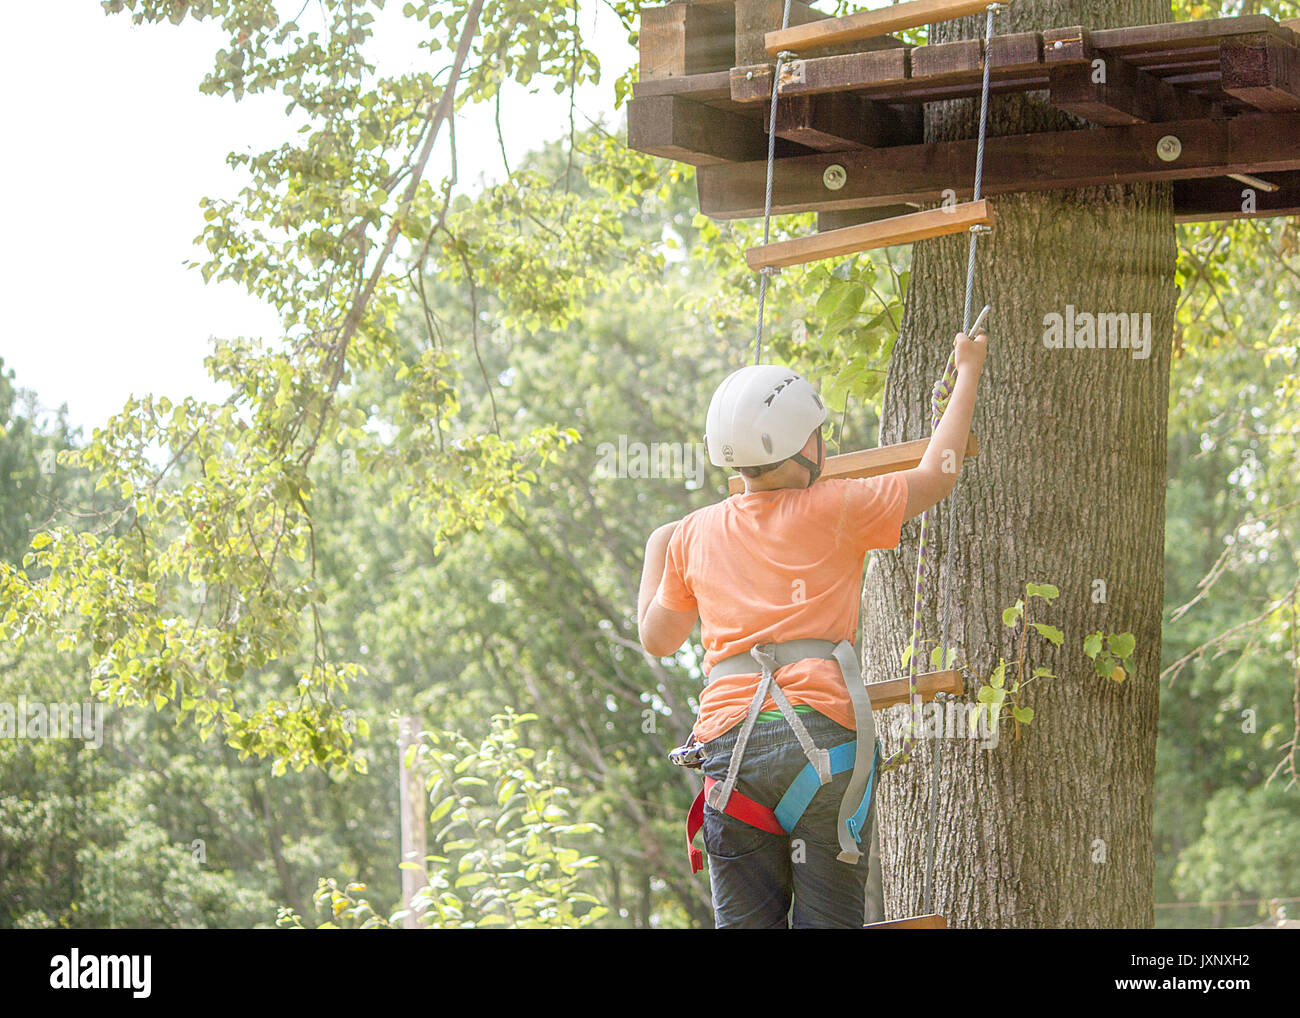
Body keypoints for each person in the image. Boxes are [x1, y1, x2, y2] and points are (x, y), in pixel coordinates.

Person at [636, 329, 988, 928]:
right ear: (806, 448)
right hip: (825, 748)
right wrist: (969, 373)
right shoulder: (839, 507)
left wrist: (657, 547)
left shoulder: (692, 534)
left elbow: (658, 640)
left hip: (730, 755)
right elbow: (937, 475)